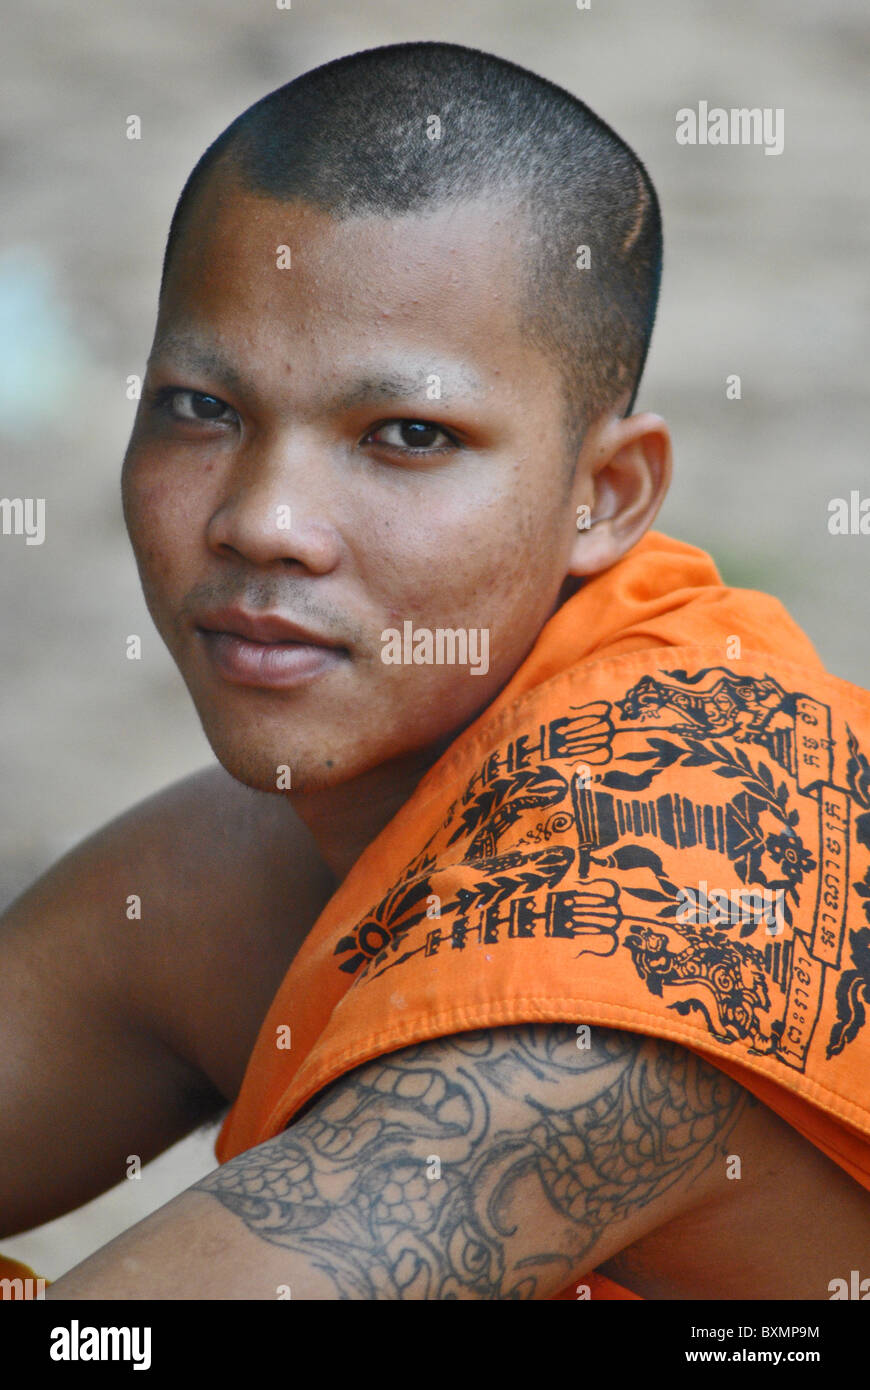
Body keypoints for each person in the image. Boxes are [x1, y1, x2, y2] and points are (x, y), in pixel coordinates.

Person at [2, 41, 868, 1301]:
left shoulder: (605, 962)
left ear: (603, 496)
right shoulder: (248, 871)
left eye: (407, 435)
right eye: (202, 408)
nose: (264, 519)